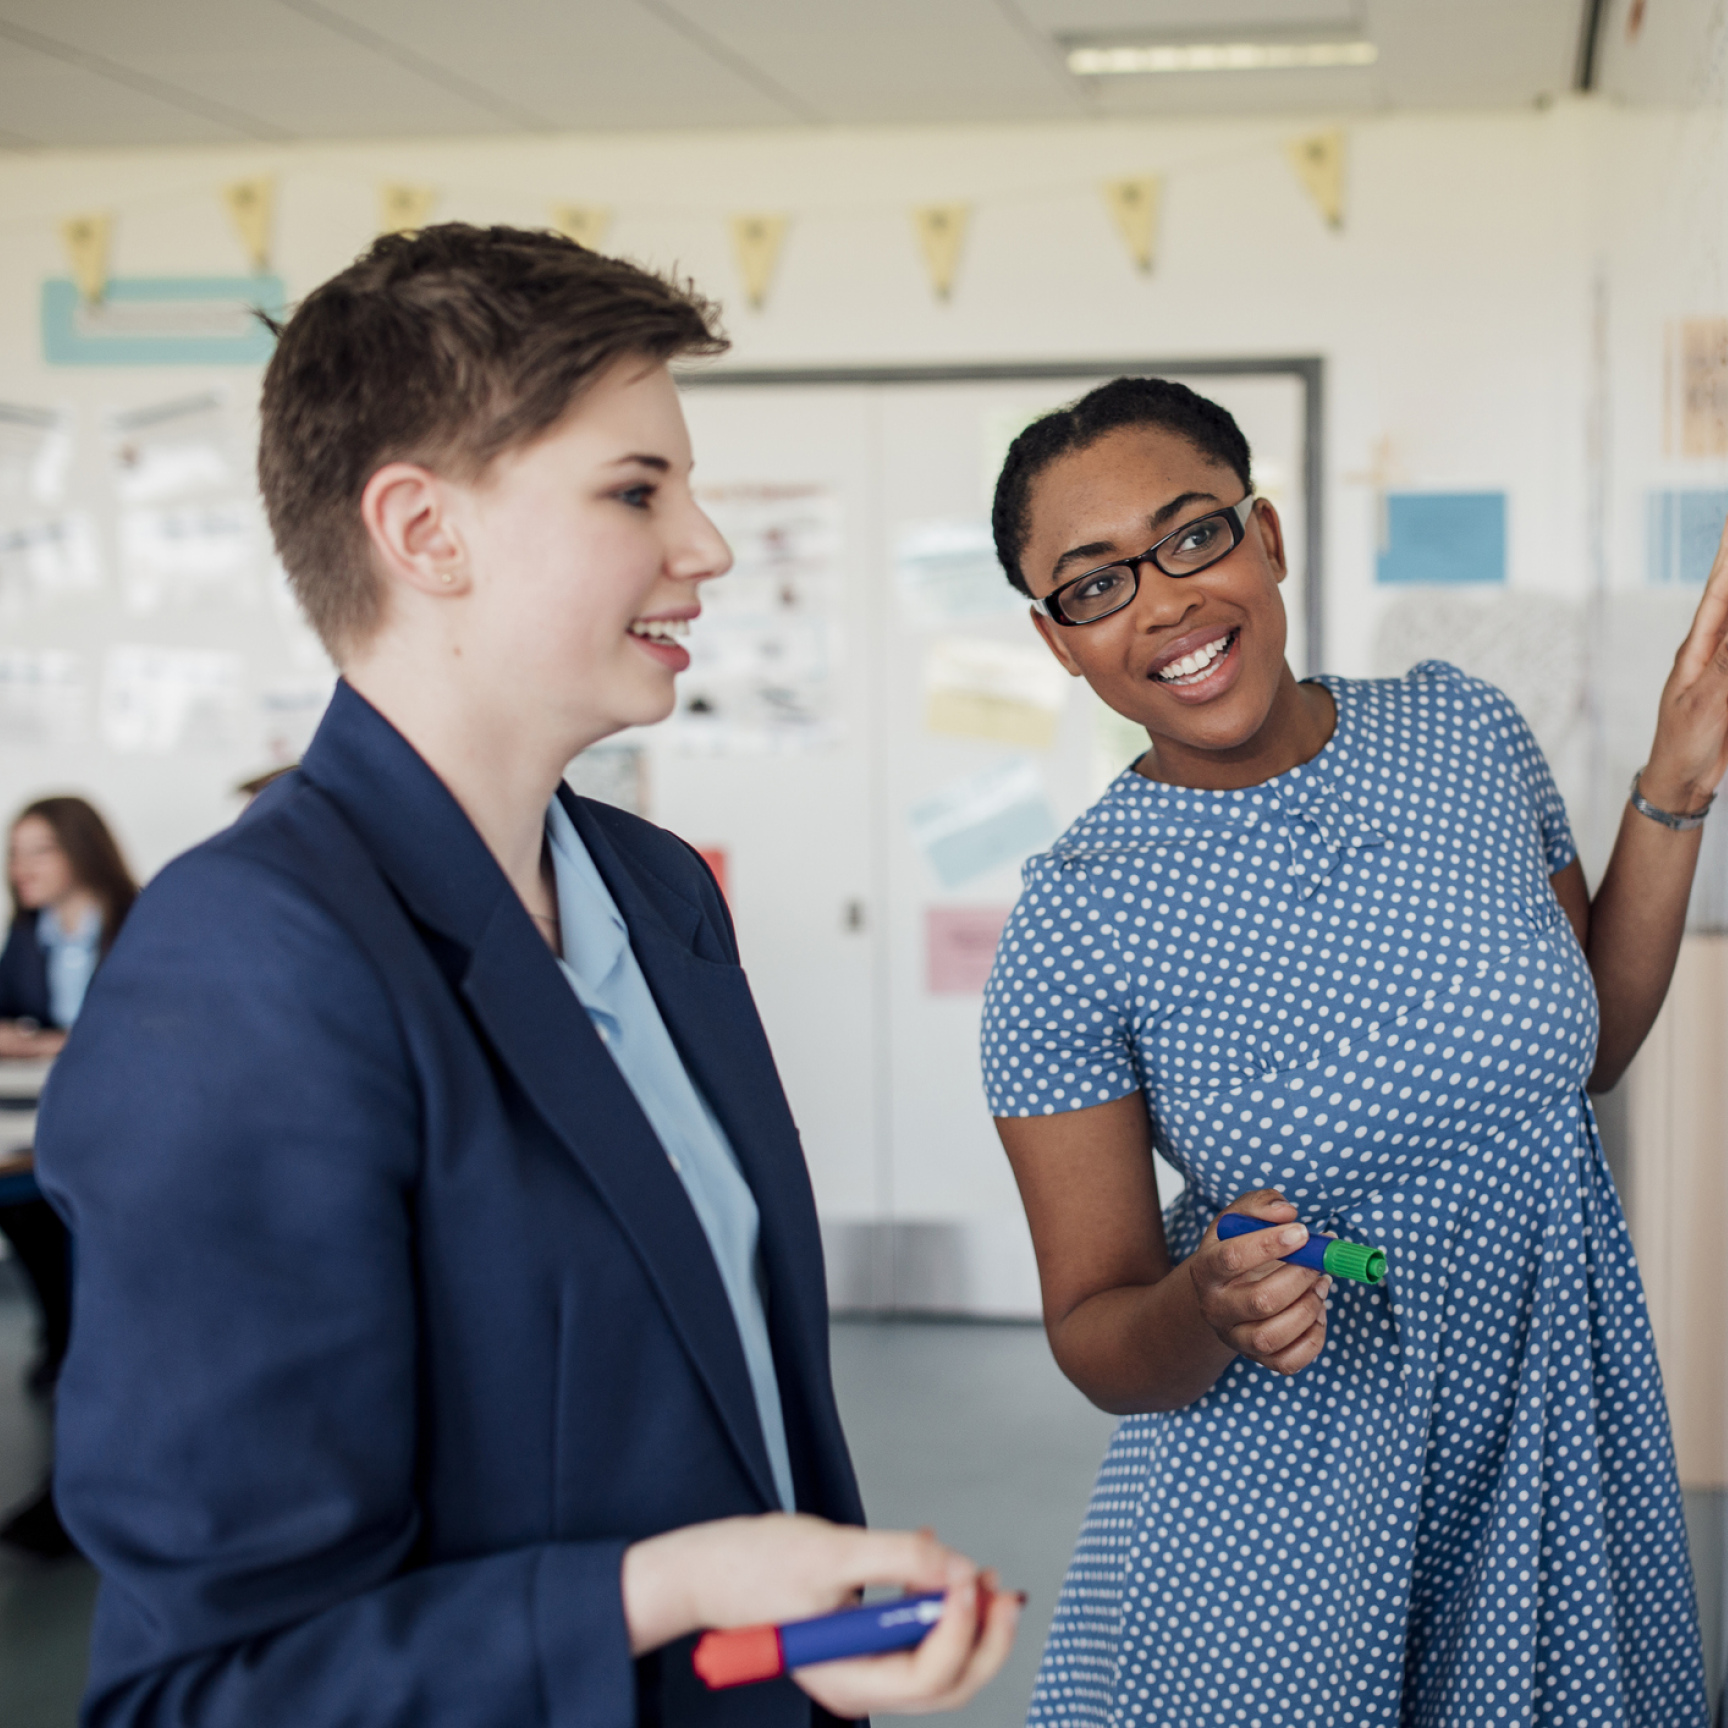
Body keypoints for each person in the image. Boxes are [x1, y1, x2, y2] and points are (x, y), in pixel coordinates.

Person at [36, 226, 1019, 1728]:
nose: (709, 545)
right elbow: (209, 1691)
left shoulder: (654, 889)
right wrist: (668, 1595)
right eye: (637, 490)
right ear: (425, 532)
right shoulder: (247, 963)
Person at [980, 376, 1726, 1726]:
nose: (1161, 603)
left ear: (1264, 534)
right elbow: (1094, 1326)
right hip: (1293, 1504)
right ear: (1058, 643)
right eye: (1094, 586)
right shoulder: (1078, 914)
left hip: (1550, 1421)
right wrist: (1203, 1307)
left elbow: (1587, 1047)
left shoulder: (1464, 735)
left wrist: (1677, 782)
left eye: (1191, 536)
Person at [0, 796, 136, 1395]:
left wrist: (55, 1042)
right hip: (41, 1109)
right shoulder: (28, 930)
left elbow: (145, 1027)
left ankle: (95, 1349)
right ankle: (64, 1336)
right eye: (13, 854)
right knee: (20, 1199)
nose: (19, 869)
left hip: (121, 1110)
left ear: (80, 850)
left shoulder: (140, 917)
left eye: (38, 852)